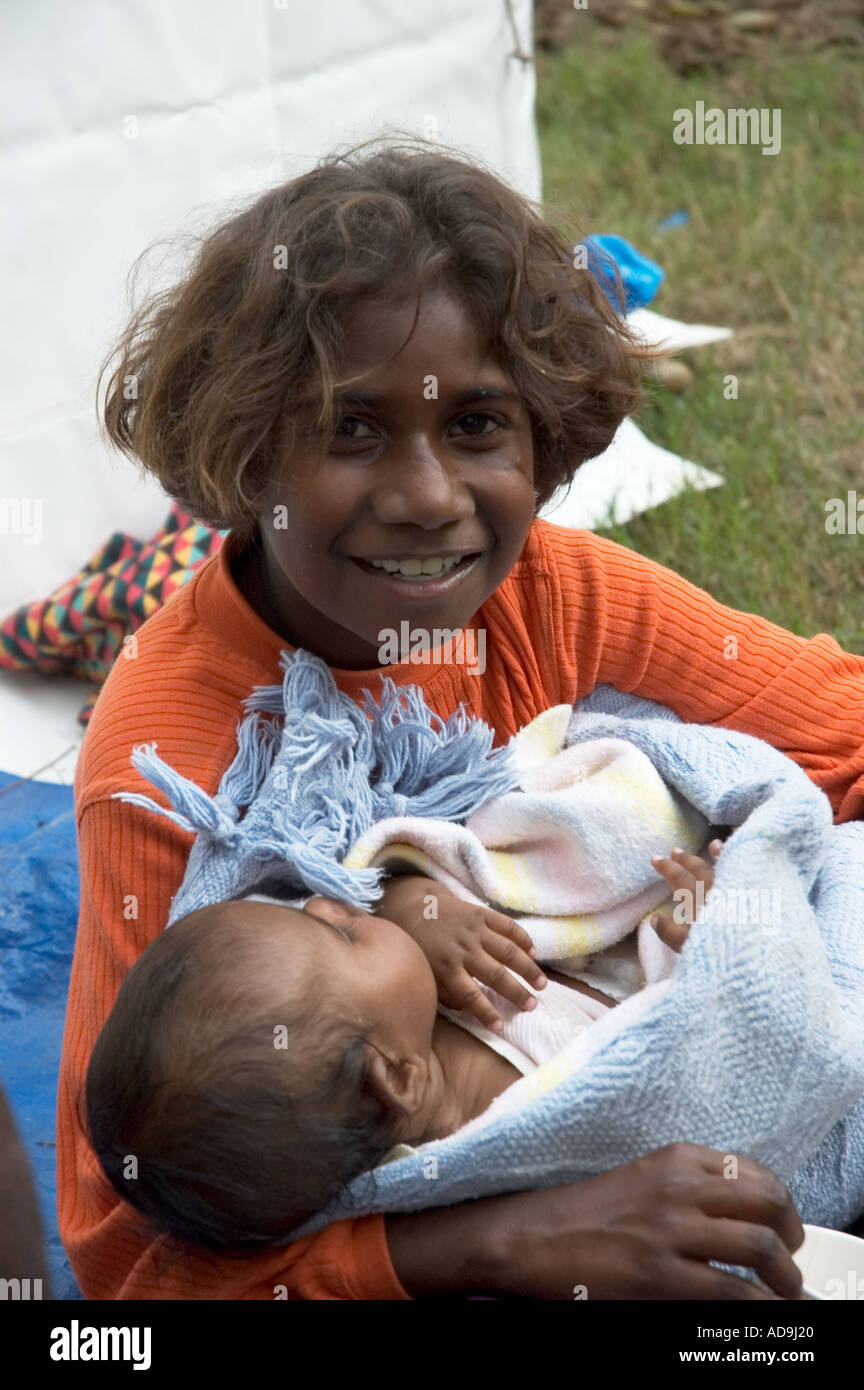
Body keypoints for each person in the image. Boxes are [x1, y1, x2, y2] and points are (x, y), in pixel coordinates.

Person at [59, 135, 864, 1301]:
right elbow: (133, 1263)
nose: (430, 496)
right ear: (246, 448)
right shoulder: (165, 763)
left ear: (546, 434)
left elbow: (837, 730)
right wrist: (512, 1240)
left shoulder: (554, 590)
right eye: (350, 429)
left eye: (478, 424)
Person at [84, 847, 720, 1253]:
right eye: (341, 934)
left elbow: (410, 857)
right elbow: (681, 1058)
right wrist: (710, 941)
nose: (328, 900)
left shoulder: (398, 1022)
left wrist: (412, 899)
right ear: (395, 1077)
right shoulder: (544, 1111)